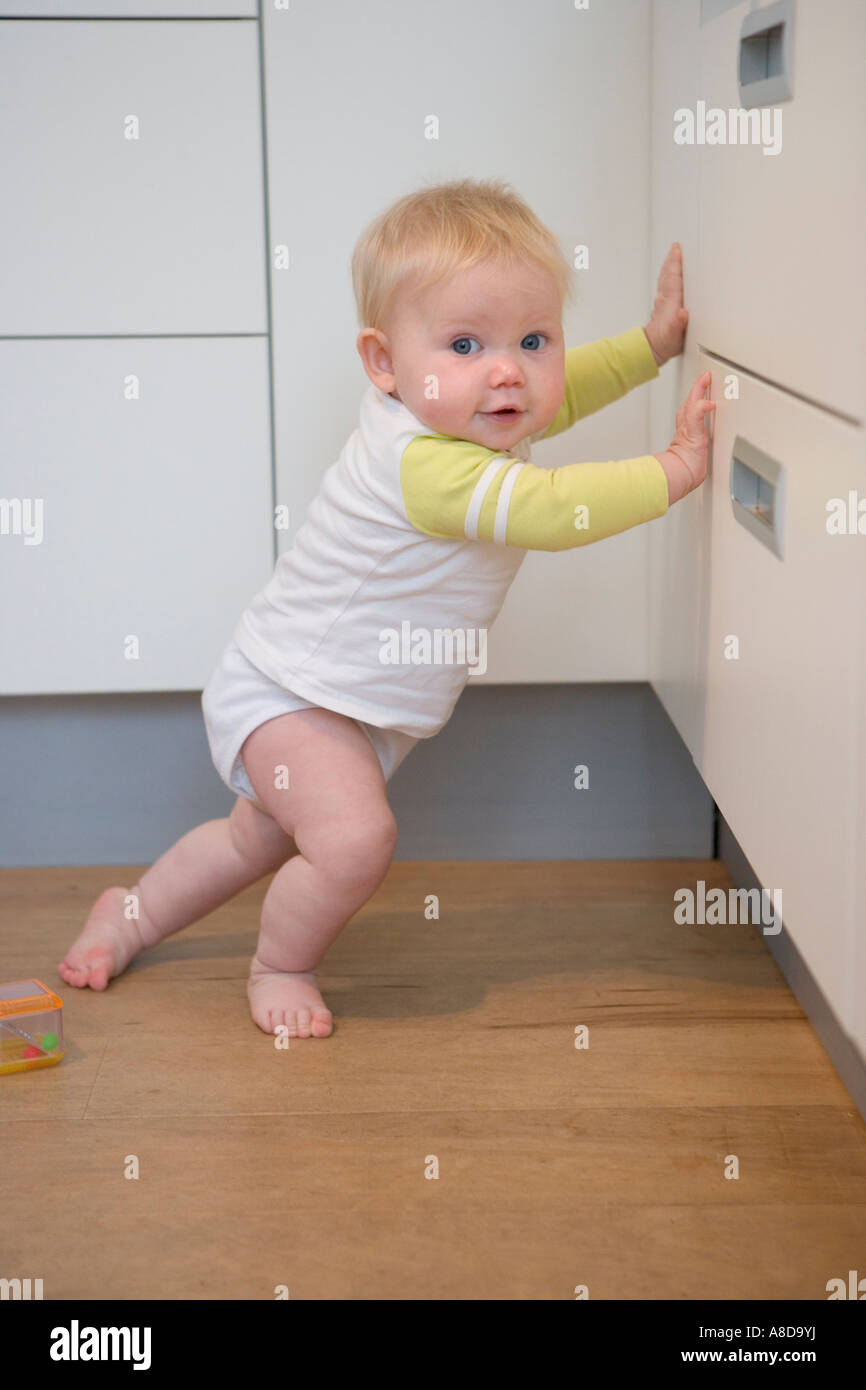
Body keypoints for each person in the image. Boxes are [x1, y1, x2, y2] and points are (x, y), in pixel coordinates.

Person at [59, 178, 714, 1039]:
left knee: (255, 840)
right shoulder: (426, 465)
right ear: (384, 365)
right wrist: (675, 469)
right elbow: (553, 511)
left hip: (343, 703)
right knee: (356, 839)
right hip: (289, 692)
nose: (508, 368)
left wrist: (652, 346)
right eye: (467, 343)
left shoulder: (476, 414)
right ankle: (280, 965)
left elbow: (567, 390)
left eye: (534, 338)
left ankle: (130, 913)